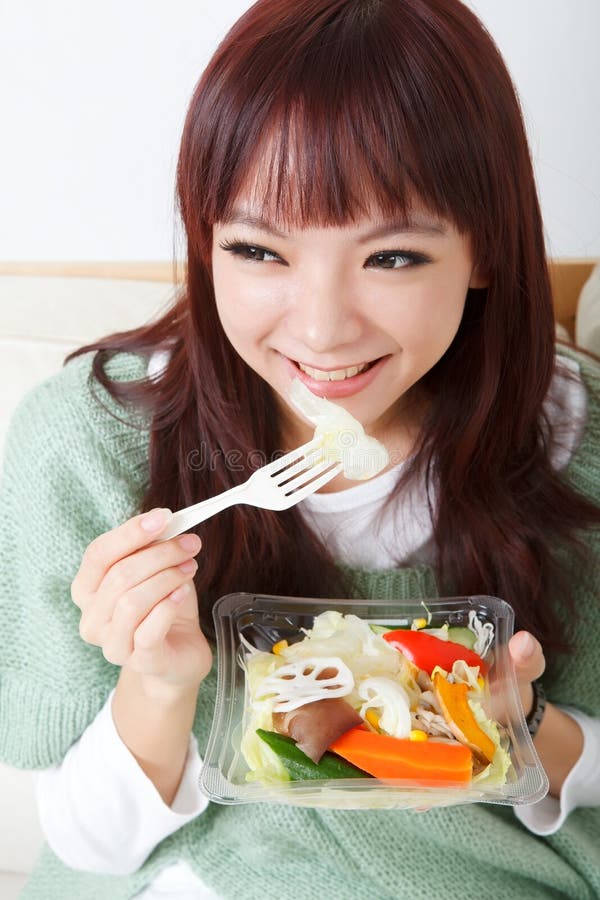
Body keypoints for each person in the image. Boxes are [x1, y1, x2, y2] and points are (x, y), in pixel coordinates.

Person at [1, 0, 599, 897]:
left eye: (391, 257)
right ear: (205, 245)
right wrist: (159, 685)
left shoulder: (573, 443)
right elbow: (88, 851)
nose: (321, 331)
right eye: (258, 250)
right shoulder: (88, 445)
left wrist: (520, 723)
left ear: (484, 250)